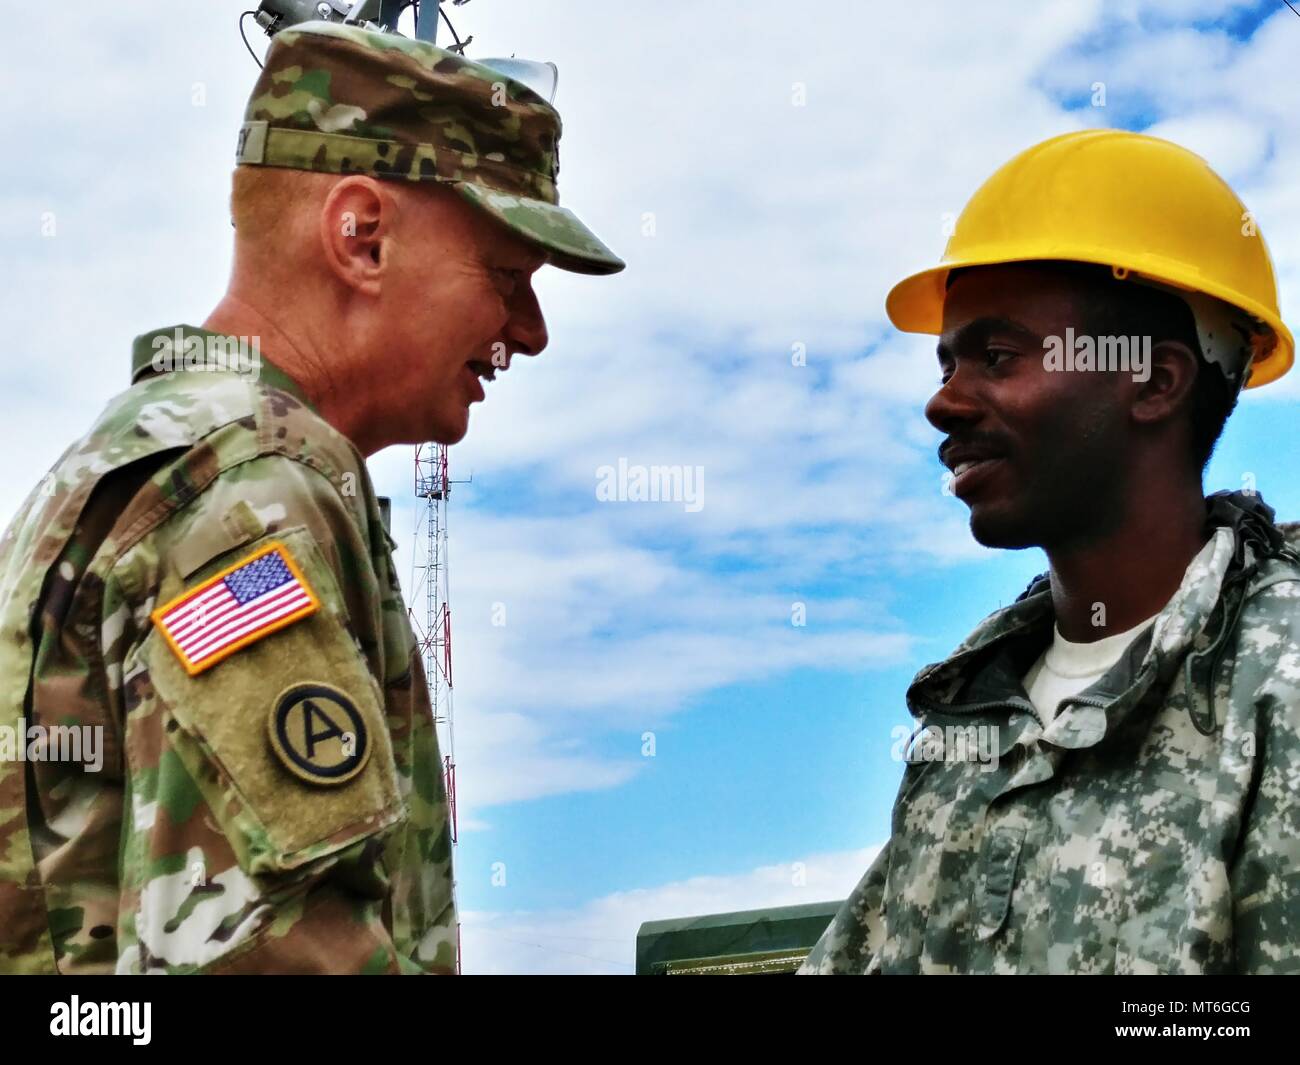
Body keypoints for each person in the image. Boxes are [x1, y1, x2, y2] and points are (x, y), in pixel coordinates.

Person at [0, 20, 622, 974]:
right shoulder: (249, 491)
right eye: (507, 278)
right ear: (362, 237)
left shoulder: (141, 462)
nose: (529, 332)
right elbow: (259, 953)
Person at [801, 129, 1299, 974]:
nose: (943, 403)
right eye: (947, 362)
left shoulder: (1274, 683)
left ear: (1154, 380)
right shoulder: (968, 713)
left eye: (997, 356)